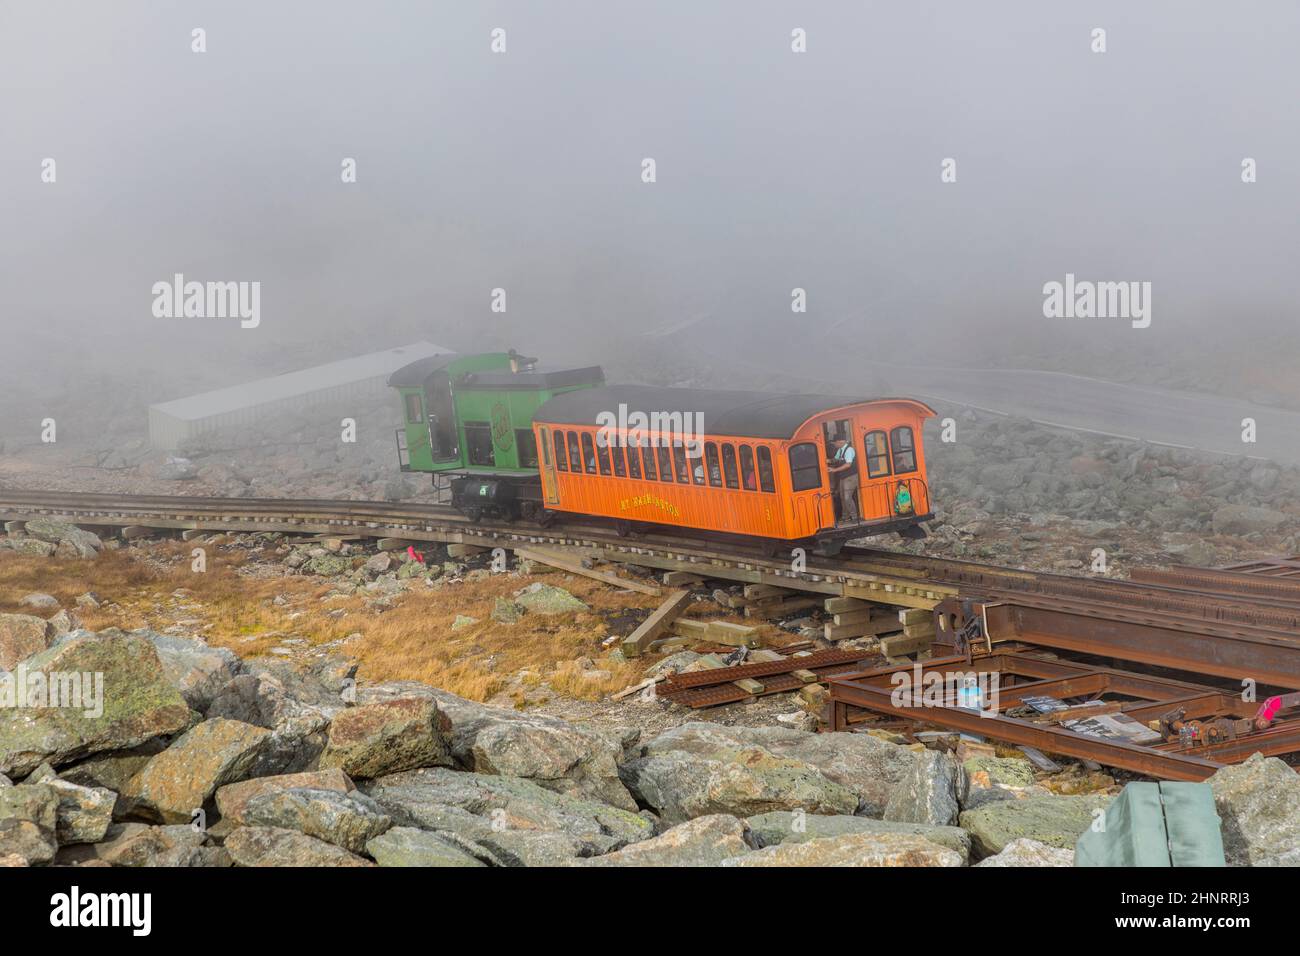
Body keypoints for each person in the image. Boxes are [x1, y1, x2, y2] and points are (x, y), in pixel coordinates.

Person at [827, 437, 859, 524]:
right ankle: (846, 517)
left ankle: (855, 517)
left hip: (850, 476)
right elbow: (836, 459)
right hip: (843, 477)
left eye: (834, 443)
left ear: (840, 442)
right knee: (842, 497)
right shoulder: (840, 450)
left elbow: (848, 465)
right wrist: (828, 460)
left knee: (847, 497)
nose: (834, 445)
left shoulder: (849, 450)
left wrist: (834, 470)